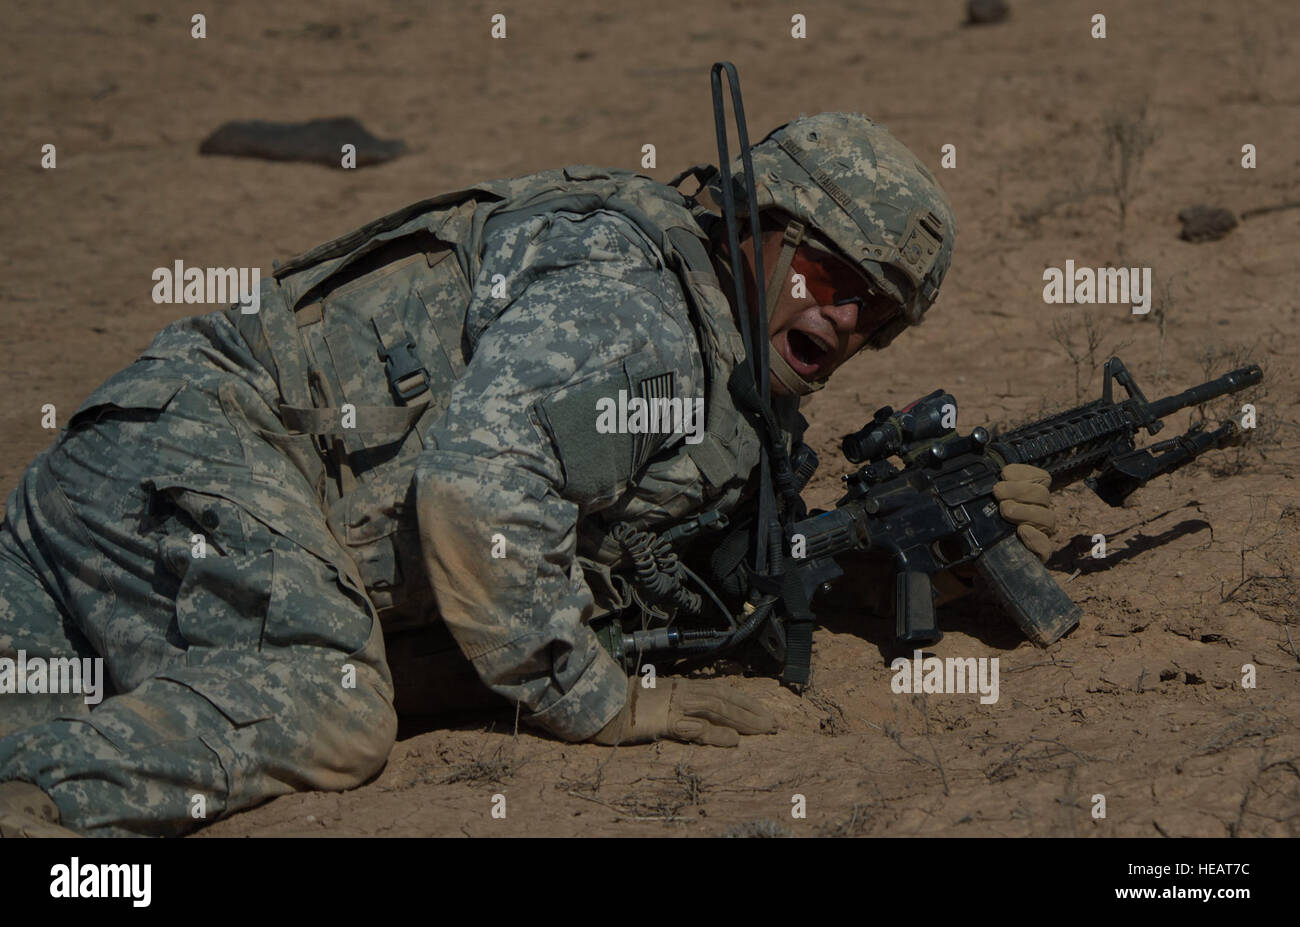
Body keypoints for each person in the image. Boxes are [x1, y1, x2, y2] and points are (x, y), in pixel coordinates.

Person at [0, 112, 1057, 836]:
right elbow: (480, 494)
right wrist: (595, 701)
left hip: (140, 512)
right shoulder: (637, 313)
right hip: (191, 460)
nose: (843, 317)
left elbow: (665, 565)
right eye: (830, 276)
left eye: (876, 310)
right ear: (756, 227)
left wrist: (890, 552)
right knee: (334, 707)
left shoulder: (727, 367)